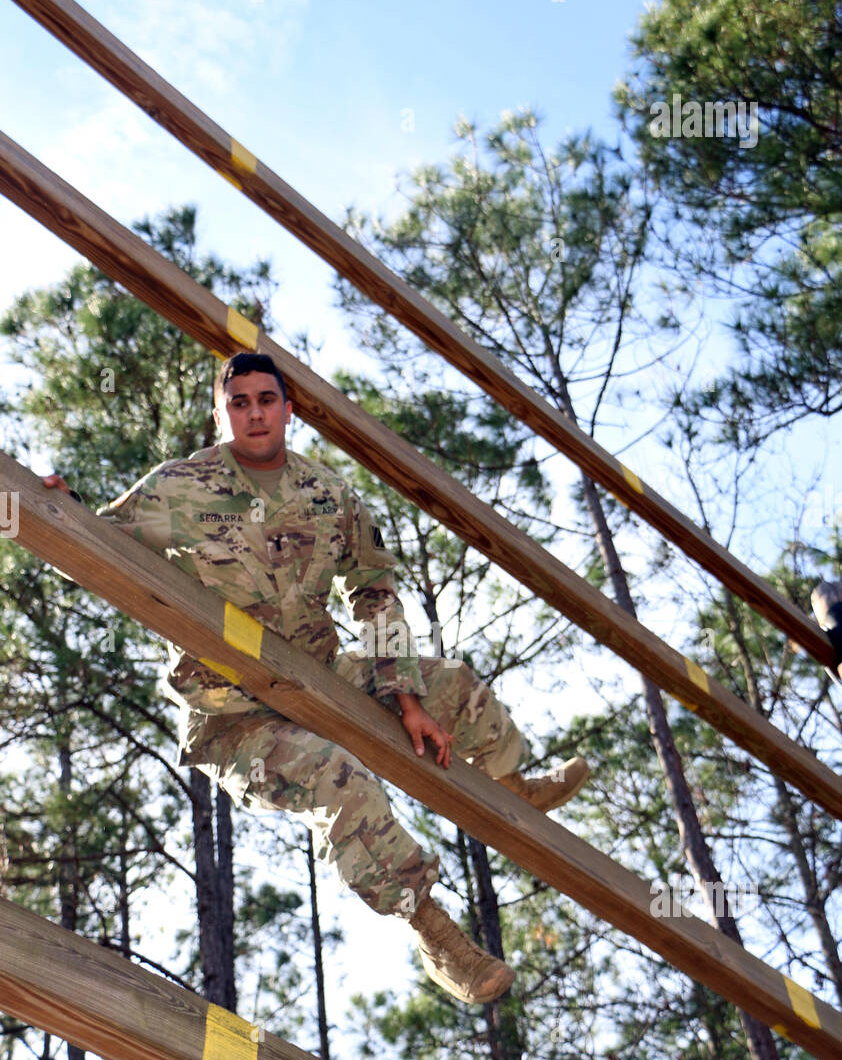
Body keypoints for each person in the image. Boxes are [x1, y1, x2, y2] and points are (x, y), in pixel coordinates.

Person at [43, 352, 589, 1005]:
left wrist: (407, 701)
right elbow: (98, 549)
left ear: (287, 411)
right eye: (238, 402)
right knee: (338, 778)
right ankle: (438, 934)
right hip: (232, 714)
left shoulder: (328, 495)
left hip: (321, 674)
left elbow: (373, 587)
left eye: (265, 399)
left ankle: (511, 789)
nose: (253, 412)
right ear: (220, 414)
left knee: (455, 686)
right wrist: (64, 510)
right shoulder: (177, 488)